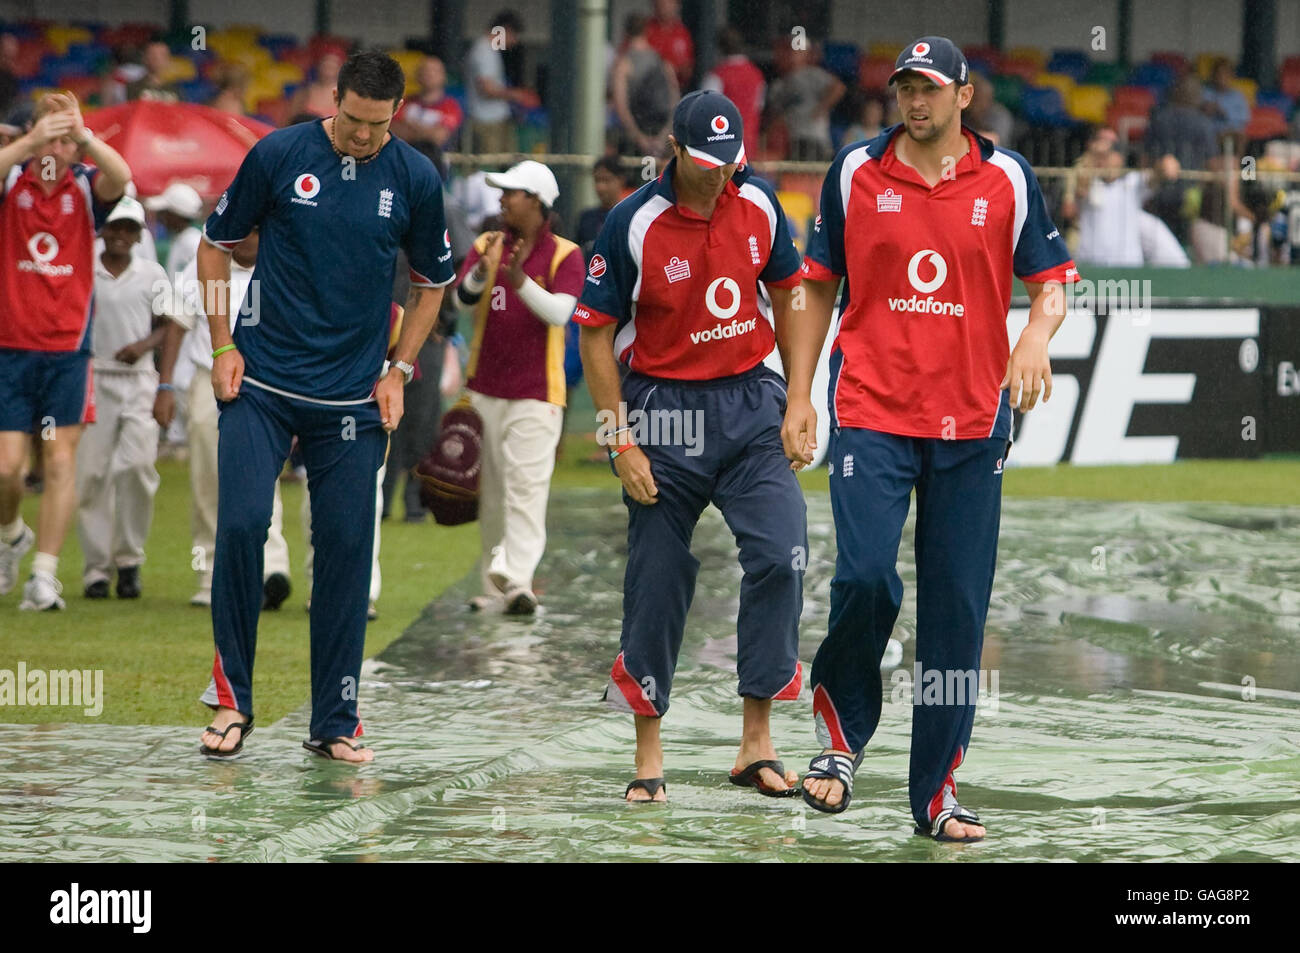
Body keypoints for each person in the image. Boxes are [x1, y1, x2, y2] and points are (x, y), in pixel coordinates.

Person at [782, 38, 1078, 840]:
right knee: (869, 576)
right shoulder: (853, 172)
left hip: (974, 423)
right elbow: (815, 284)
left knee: (955, 613)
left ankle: (936, 794)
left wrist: (1034, 339)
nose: (915, 102)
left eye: (930, 89)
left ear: (965, 95)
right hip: (872, 411)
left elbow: (1052, 282)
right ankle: (840, 744)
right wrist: (801, 395)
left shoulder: (1010, 178)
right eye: (905, 88)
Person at [194, 50, 454, 762]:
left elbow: (433, 284)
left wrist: (399, 369)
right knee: (243, 524)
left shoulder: (415, 177)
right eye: (353, 119)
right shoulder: (278, 152)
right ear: (331, 100)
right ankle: (231, 700)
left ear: (395, 114)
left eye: (378, 124)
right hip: (263, 385)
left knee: (345, 551)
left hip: (353, 399)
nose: (363, 136)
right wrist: (222, 345)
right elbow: (214, 246)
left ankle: (335, 719)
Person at [575, 90, 806, 802]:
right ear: (673, 148)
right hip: (663, 414)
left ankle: (755, 744)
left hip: (750, 404)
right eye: (705, 161)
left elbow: (793, 292)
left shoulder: (760, 204)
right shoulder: (630, 221)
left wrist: (799, 397)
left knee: (781, 555)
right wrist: (620, 441)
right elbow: (593, 332)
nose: (718, 174)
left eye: (729, 159)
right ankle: (649, 754)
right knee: (657, 577)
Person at [0, 93, 131, 611]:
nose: (57, 145)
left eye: (64, 136)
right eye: (48, 134)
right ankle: (12, 535)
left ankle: (44, 576)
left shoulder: (84, 186)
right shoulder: (12, 181)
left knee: (58, 460)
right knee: (7, 469)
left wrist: (84, 136)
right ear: (31, 136)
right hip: (10, 350)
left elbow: (120, 176)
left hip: (67, 354)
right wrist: (31, 141)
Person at [455, 160, 582, 614]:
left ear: (537, 202)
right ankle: (496, 589)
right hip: (485, 387)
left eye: (512, 192)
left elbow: (561, 313)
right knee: (491, 493)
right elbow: (460, 298)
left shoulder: (566, 254)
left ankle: (519, 579)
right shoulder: (487, 243)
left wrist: (520, 281)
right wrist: (480, 272)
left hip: (537, 391)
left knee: (526, 488)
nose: (502, 200)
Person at [159, 229, 296, 609]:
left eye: (256, 230)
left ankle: (271, 568)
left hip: (264, 384)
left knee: (263, 474)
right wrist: (166, 385)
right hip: (209, 379)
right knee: (207, 477)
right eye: (246, 231)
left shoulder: (280, 262)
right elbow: (177, 324)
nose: (250, 239)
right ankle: (209, 573)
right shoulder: (208, 262)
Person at [76, 197, 173, 599]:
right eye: (114, 227)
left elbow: (171, 323)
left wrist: (143, 344)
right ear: (103, 229)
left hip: (137, 379)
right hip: (93, 376)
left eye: (128, 229)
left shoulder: (151, 273)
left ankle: (129, 559)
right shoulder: (85, 267)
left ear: (138, 236)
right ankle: (97, 569)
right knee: (91, 474)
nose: (119, 235)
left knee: (136, 467)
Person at [465, 11, 533, 154]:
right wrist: (517, 95)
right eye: (513, 36)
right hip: (486, 122)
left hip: (497, 119)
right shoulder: (483, 51)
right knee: (490, 167)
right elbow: (487, 89)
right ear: (505, 30)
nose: (514, 42)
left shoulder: (491, 50)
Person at [611, 14, 678, 157]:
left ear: (626, 33)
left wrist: (640, 139)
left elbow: (620, 106)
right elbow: (675, 101)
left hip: (635, 141)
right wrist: (662, 137)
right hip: (661, 135)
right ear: (647, 31)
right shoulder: (662, 61)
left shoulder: (623, 64)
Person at [766, 44, 845, 161]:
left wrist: (821, 108)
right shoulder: (778, 85)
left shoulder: (812, 74)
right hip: (791, 140)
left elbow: (839, 88)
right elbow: (774, 115)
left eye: (796, 53)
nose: (791, 57)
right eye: (788, 53)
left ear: (805, 55)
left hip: (813, 137)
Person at [700, 27, 764, 161]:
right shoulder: (756, 75)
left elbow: (704, 112)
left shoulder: (717, 76)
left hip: (720, 148)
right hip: (748, 146)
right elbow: (758, 107)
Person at [390, 56, 463, 151]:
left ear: (443, 76)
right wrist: (427, 131)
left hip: (436, 161)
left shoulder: (451, 106)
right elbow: (393, 131)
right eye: (424, 70)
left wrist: (410, 127)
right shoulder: (405, 102)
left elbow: (438, 137)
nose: (429, 74)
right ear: (417, 75)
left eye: (434, 71)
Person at [645, 0, 694, 89]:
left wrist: (676, 70)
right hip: (648, 90)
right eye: (661, 4)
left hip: (674, 89)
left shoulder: (682, 33)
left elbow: (688, 69)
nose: (664, 7)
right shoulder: (646, 30)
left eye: (668, 4)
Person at [1202, 58, 1249, 139]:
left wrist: (1225, 113)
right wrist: (1206, 110)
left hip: (1232, 130)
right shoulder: (1206, 92)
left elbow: (1244, 118)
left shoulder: (1237, 96)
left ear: (1232, 76)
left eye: (1226, 75)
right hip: (1211, 130)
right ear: (1213, 76)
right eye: (1219, 74)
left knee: (1241, 135)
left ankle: (1239, 152)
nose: (1222, 78)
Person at [289, 50, 344, 119]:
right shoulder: (304, 93)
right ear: (319, 66)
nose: (329, 68)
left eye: (333, 64)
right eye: (326, 64)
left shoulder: (346, 95)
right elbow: (291, 121)